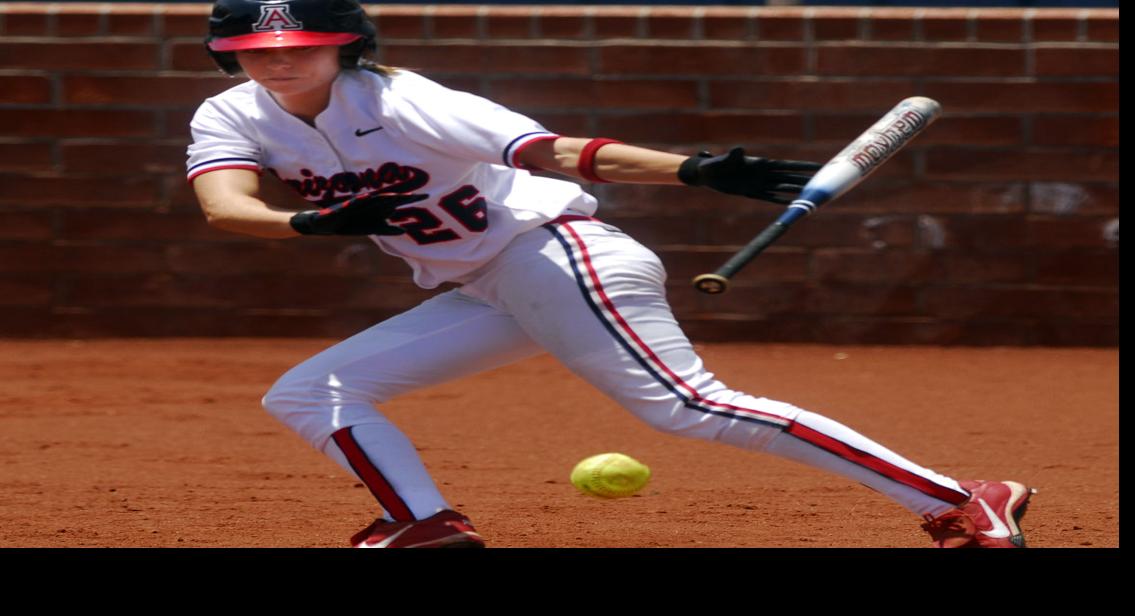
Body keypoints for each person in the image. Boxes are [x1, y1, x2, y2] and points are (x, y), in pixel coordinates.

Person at [188, 0, 1034, 549]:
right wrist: (303, 220)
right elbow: (225, 208)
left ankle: (962, 495)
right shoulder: (231, 113)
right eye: (254, 48)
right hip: (488, 286)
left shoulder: (403, 99)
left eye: (301, 45)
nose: (276, 60)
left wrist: (692, 169)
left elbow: (552, 150)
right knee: (311, 391)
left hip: (556, 254)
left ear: (347, 46)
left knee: (688, 406)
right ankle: (424, 524)